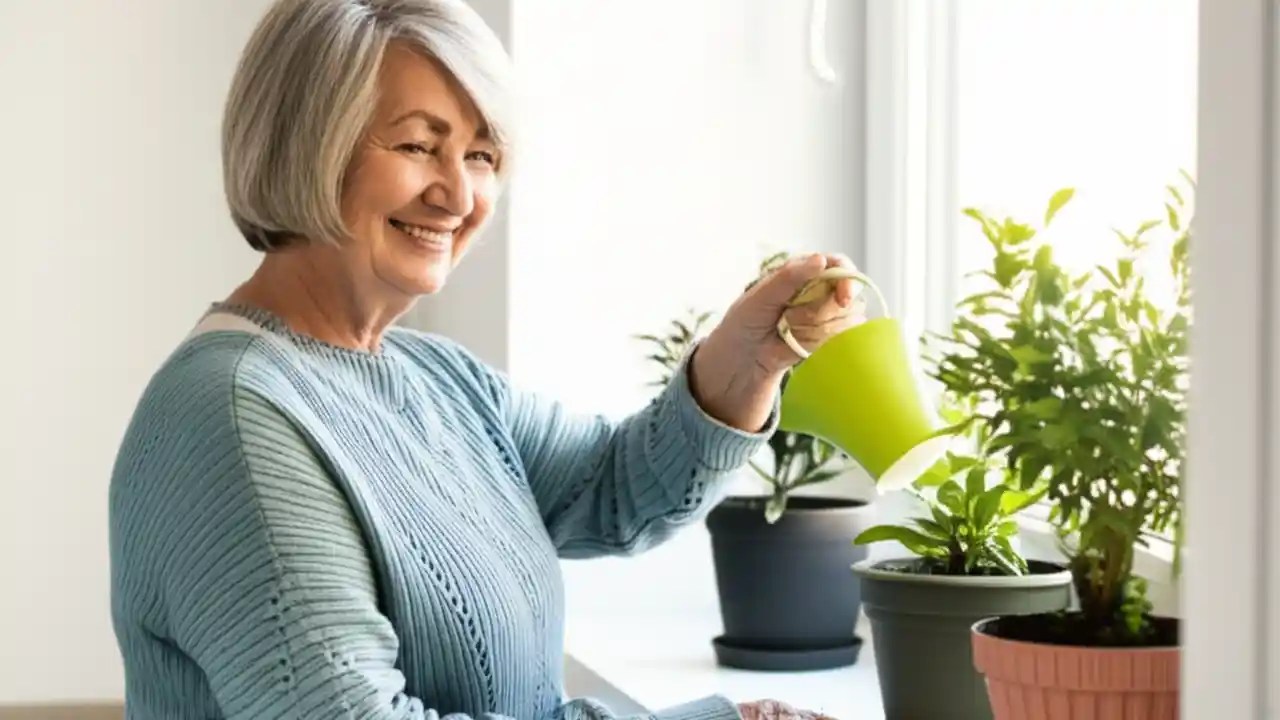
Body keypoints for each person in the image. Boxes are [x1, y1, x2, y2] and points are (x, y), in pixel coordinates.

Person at [108, 1, 862, 718]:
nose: (459, 195)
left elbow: (614, 488)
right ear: (304, 139)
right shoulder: (231, 416)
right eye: (416, 145)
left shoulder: (436, 377)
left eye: (481, 154)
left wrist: (753, 355)